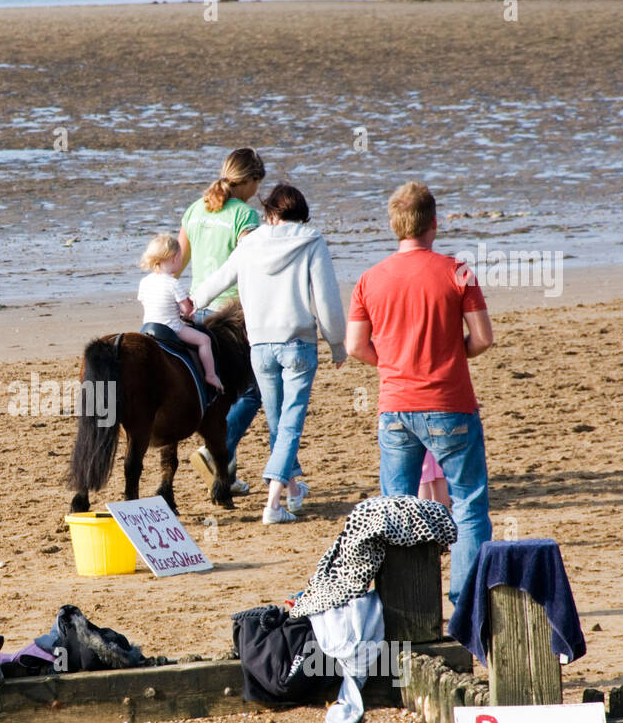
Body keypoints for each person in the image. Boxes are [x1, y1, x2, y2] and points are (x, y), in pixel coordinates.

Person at [345, 180, 494, 602]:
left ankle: (405, 602)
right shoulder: (458, 271)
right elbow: (483, 338)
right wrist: (447, 354)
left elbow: (356, 346)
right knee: (468, 504)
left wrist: (395, 364)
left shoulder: (369, 279)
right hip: (449, 403)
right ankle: (465, 600)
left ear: (395, 224)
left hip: (395, 406)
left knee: (395, 509)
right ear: (434, 222)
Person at [193, 183, 346, 524]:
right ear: (301, 214)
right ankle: (273, 504)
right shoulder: (311, 241)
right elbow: (327, 300)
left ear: (270, 212)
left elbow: (219, 279)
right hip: (297, 343)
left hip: (258, 345)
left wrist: (192, 304)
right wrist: (337, 342)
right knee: (289, 424)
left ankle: (292, 492)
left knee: (279, 422)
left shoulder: (250, 244)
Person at [175, 147, 266, 495]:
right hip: (232, 316)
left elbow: (179, 261)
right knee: (252, 391)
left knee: (216, 395)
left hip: (198, 311)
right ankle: (217, 452)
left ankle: (225, 472)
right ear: (251, 181)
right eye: (258, 184)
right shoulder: (245, 216)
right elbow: (250, 266)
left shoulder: (195, 210)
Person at [137, 233, 223, 390]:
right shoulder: (173, 283)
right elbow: (188, 311)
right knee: (204, 340)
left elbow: (144, 302)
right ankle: (210, 375)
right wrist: (186, 313)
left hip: (147, 328)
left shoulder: (145, 282)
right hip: (172, 328)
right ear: (175, 258)